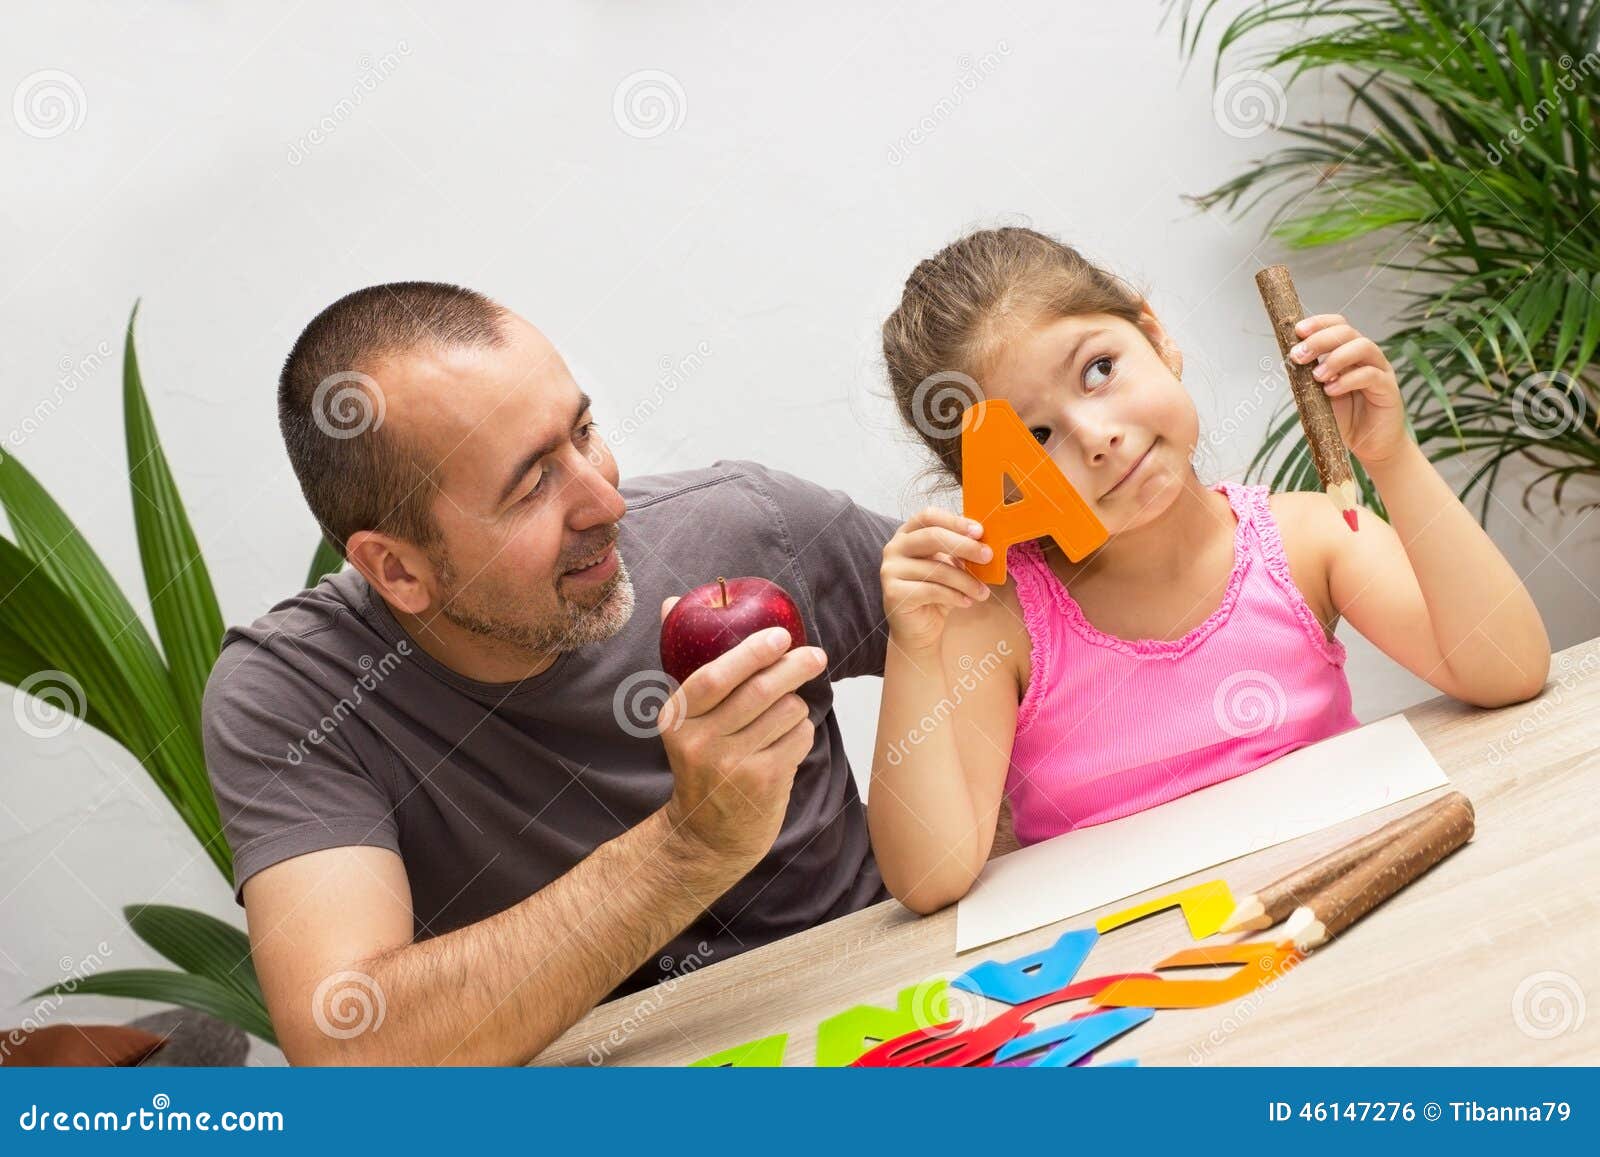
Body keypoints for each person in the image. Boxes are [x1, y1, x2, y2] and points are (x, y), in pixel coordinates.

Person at [201, 282, 896, 1064]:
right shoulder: (298, 693)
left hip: (905, 1033)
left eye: (585, 431)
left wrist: (992, 839)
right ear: (396, 569)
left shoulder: (748, 525)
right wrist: (689, 847)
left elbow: (1030, 621)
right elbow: (352, 1050)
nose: (607, 500)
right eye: (533, 482)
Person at [866, 226, 1551, 914]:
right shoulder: (1001, 622)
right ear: (998, 488)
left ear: (1156, 336)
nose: (1097, 437)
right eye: (1037, 437)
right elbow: (928, 880)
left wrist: (1391, 456)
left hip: (1351, 905)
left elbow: (1508, 668)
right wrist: (915, 647)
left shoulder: (1308, 538)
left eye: (1100, 368)